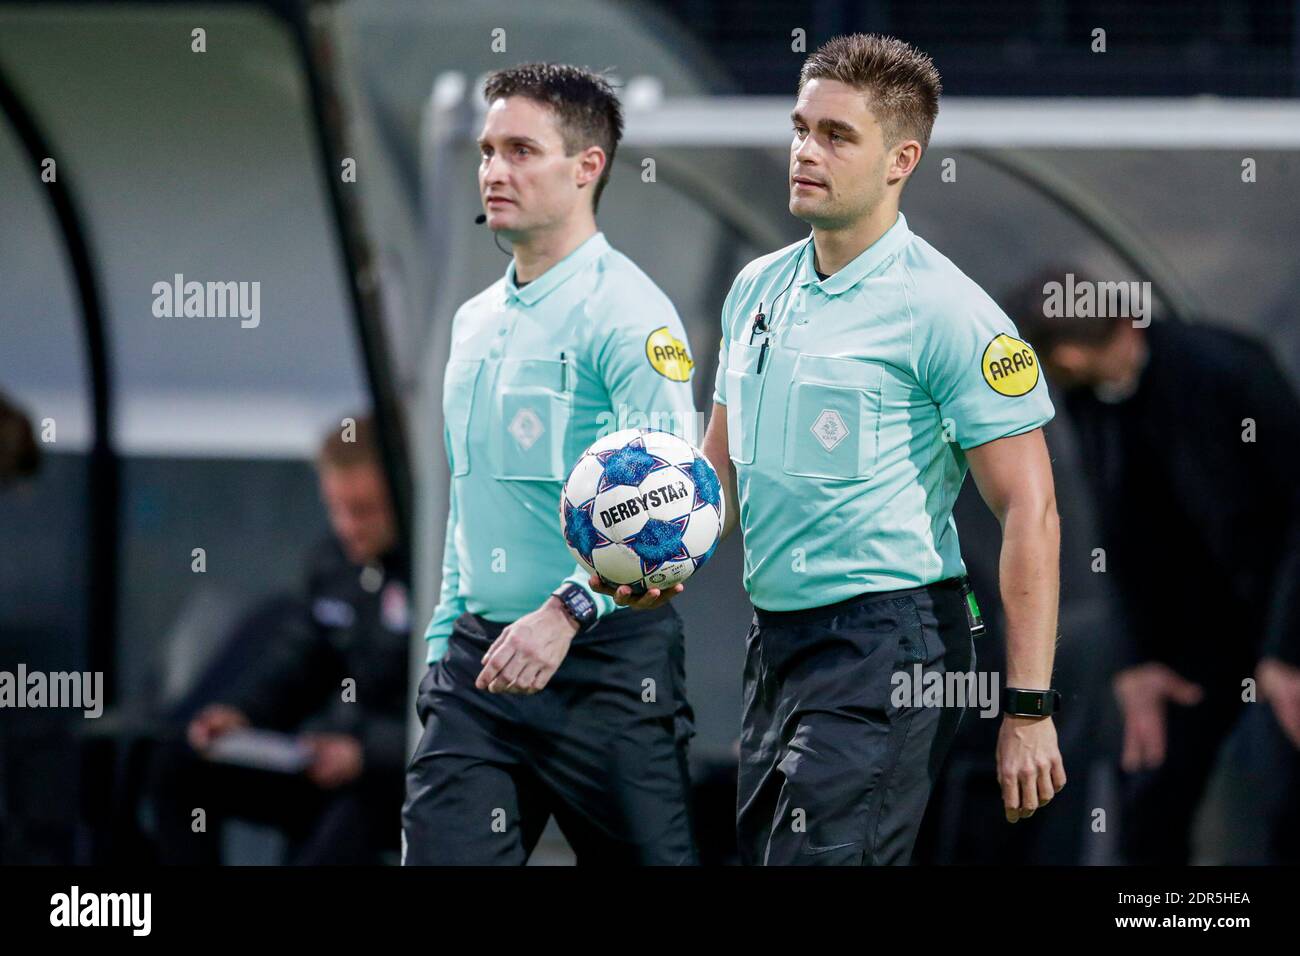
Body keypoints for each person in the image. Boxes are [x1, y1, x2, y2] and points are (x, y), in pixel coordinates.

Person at [597, 34, 1066, 866]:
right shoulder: (755, 289)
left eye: (837, 135)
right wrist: (657, 560)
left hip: (891, 642)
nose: (805, 151)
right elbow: (718, 479)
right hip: (775, 644)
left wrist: (1028, 707)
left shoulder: (949, 311)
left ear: (901, 160)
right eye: (800, 127)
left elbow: (1030, 508)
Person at [401, 63, 699, 865]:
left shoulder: (632, 317)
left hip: (605, 667)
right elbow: (468, 503)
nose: (495, 171)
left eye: (522, 151)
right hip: (482, 665)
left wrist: (565, 612)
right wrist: (441, 654)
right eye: (488, 150)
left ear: (586, 166)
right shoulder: (472, 322)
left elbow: (676, 512)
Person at [1012, 268, 1300, 864]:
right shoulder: (1090, 397)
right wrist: (1137, 661)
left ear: (1063, 353)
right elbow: (1120, 535)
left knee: (1282, 796)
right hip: (1195, 641)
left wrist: (1286, 653)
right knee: (1149, 786)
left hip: (1285, 613)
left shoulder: (1224, 368)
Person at [146, 414, 410, 864]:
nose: (348, 526)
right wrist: (241, 714)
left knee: (347, 823)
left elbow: (459, 707)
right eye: (336, 508)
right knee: (179, 767)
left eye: (365, 509)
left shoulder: (443, 569)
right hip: (324, 759)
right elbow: (297, 659)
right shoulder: (334, 565)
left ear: (406, 493)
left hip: (393, 778)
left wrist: (368, 752)